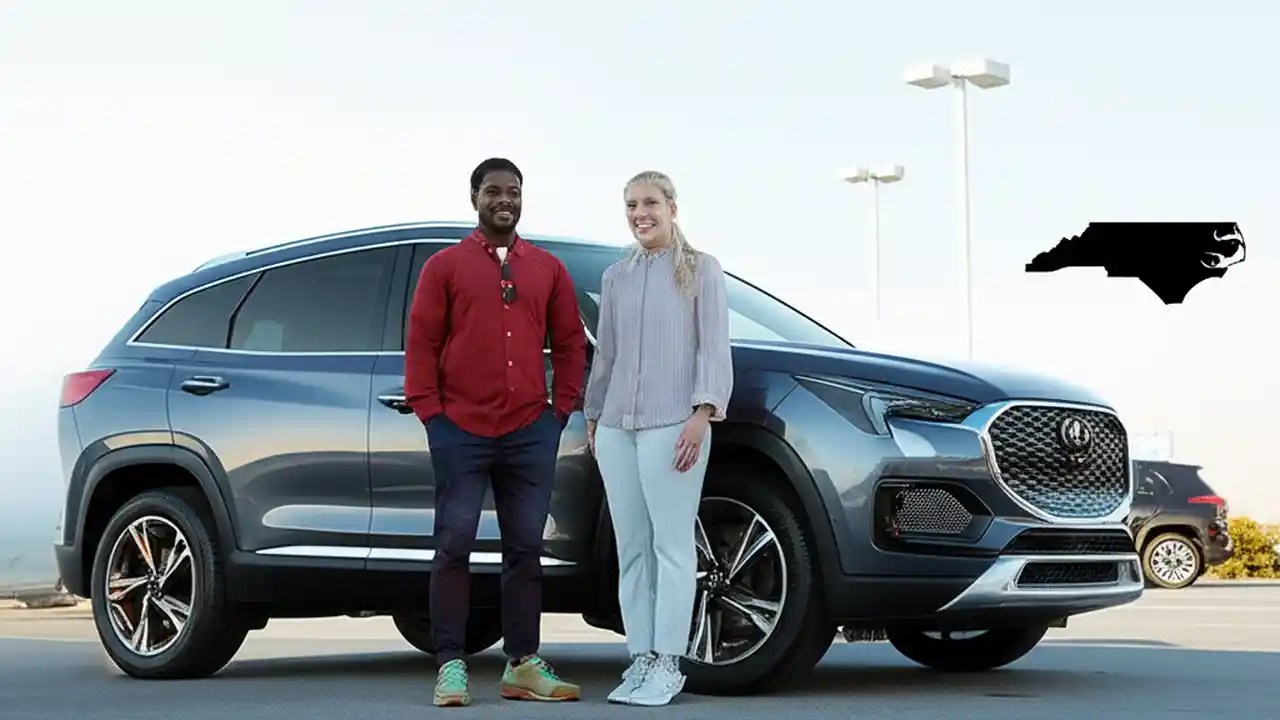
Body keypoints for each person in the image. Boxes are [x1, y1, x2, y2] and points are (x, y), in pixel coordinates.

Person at [405, 157, 587, 707]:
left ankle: (522, 664)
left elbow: (571, 343)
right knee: (454, 545)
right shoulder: (444, 267)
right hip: (460, 429)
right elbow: (422, 344)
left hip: (530, 430)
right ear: (475, 199)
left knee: (525, 549)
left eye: (513, 191)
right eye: (492, 191)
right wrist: (432, 414)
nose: (503, 200)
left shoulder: (547, 268)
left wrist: (559, 412)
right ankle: (451, 665)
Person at [583, 170, 734, 707]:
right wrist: (594, 414)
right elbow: (609, 354)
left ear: (671, 206)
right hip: (619, 427)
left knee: (672, 548)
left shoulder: (702, 270)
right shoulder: (616, 276)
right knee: (632, 549)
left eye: (649, 203)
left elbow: (713, 350)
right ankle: (641, 657)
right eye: (630, 205)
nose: (639, 213)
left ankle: (669, 662)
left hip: (676, 425)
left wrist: (702, 413)